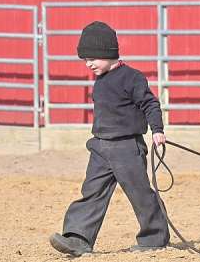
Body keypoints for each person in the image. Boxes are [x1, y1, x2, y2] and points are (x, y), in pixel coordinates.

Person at [49, 21, 170, 256]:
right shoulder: (101, 80)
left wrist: (157, 129)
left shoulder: (132, 78)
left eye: (93, 58)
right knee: (92, 192)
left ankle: (154, 237)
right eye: (85, 60)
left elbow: (150, 103)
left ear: (109, 54)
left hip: (126, 147)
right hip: (100, 147)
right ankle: (78, 237)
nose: (89, 64)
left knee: (140, 192)